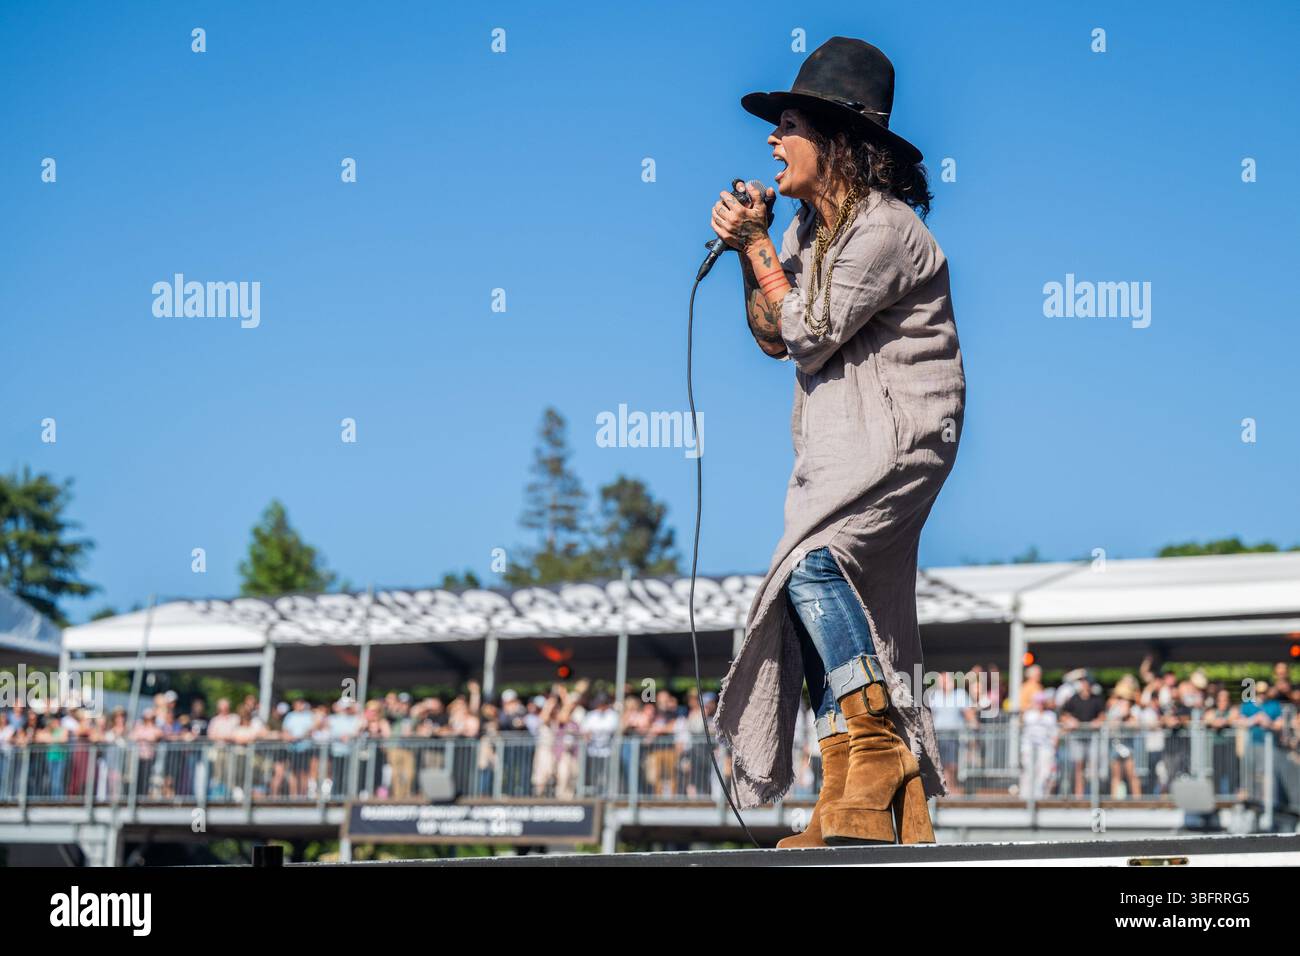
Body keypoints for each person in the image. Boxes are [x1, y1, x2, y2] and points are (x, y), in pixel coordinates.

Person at [710, 37, 964, 846]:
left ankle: (877, 746)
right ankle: (861, 791)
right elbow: (769, 335)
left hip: (899, 429)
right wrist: (755, 254)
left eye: (787, 125)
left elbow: (809, 328)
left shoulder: (885, 227)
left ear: (836, 140)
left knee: (810, 563)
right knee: (824, 596)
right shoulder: (809, 234)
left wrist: (754, 247)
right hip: (834, 439)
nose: (772, 142)